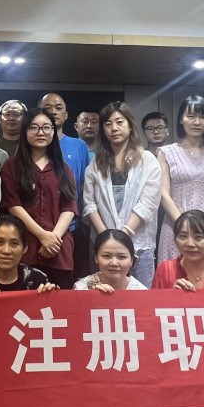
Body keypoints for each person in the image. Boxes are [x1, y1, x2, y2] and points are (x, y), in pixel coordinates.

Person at [83, 103, 162, 285]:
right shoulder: (95, 164)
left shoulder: (148, 160)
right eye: (108, 124)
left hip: (138, 245)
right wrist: (107, 238)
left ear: (130, 125)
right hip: (103, 247)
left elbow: (148, 204)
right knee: (101, 296)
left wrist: (123, 236)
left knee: (140, 299)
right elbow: (89, 203)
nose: (114, 128)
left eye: (119, 122)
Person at [0, 107, 77, 288]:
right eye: (34, 127)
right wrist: (43, 236)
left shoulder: (64, 168)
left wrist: (53, 238)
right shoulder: (12, 165)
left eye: (46, 127)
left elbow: (69, 207)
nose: (40, 132)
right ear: (25, 131)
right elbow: (13, 205)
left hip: (59, 249)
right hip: (26, 248)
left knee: (60, 301)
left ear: (53, 131)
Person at [157, 95, 204, 266]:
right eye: (191, 116)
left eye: (203, 117)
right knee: (174, 276)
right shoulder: (166, 153)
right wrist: (184, 228)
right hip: (176, 228)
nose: (197, 122)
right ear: (181, 119)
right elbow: (163, 194)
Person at [40, 92, 92, 278]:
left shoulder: (79, 146)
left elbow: (84, 186)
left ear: (66, 115)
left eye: (58, 108)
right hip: (38, 230)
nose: (53, 111)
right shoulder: (34, 146)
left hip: (72, 227)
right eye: (48, 108)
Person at [0, 215, 58, 292]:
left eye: (14, 243)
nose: (6, 250)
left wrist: (51, 297)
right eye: (0, 242)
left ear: (25, 248)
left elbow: (51, 309)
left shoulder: (38, 278)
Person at [75, 230, 147, 292]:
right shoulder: (81, 288)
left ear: (132, 260)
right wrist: (91, 297)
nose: (114, 263)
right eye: (106, 256)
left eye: (121, 257)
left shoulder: (141, 292)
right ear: (96, 258)